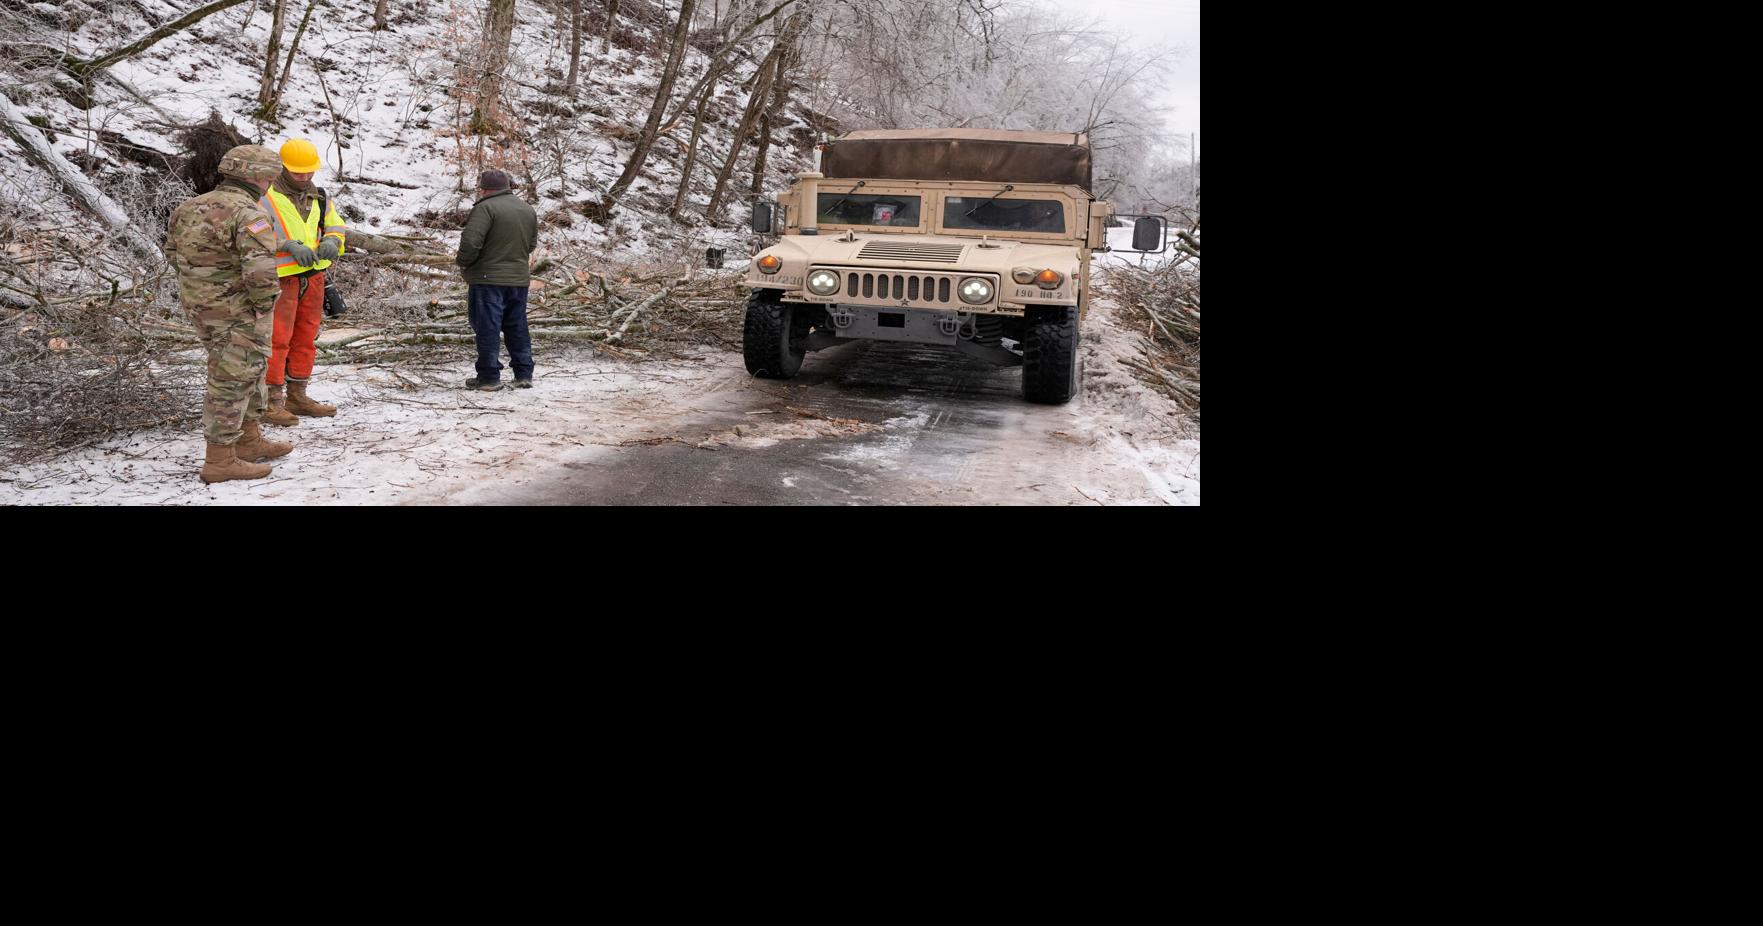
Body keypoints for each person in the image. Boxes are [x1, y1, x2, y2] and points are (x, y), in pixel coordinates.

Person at [165, 145, 294, 484]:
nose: (271, 182)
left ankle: (248, 441)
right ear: (258, 177)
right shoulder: (250, 214)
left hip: (201, 307)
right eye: (270, 176)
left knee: (245, 371)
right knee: (232, 379)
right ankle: (220, 460)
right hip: (239, 310)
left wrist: (204, 289)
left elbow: (172, 254)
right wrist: (264, 306)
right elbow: (261, 273)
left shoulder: (188, 207)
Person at [260, 138, 348, 424]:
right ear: (283, 167)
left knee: (306, 339)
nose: (304, 176)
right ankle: (271, 402)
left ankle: (297, 395)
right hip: (280, 278)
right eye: (298, 172)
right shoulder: (264, 196)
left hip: (314, 277)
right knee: (277, 339)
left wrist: (333, 241)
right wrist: (286, 245)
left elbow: (336, 225)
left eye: (308, 171)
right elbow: (250, 233)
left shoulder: (320, 196)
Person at [456, 169, 538, 390]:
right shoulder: (527, 209)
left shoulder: (485, 208)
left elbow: (470, 243)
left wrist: (464, 263)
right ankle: (523, 373)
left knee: (487, 327)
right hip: (518, 280)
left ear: (484, 189)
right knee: (517, 325)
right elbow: (531, 245)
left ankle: (489, 377)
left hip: (487, 279)